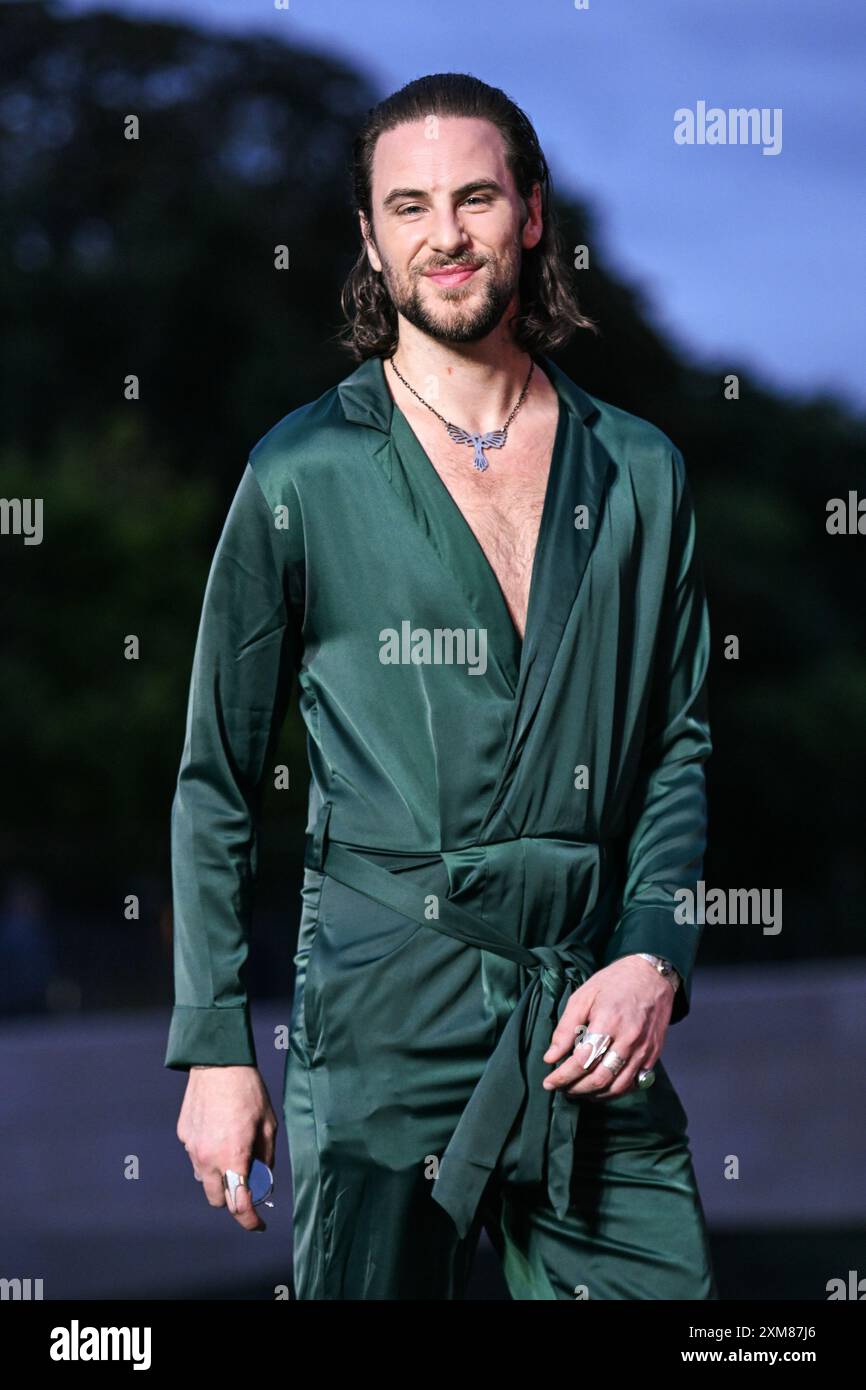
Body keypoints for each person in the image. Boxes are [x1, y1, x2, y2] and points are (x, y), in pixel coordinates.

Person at [165, 72, 717, 1300]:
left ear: (530, 212)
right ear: (370, 238)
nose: (445, 234)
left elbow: (674, 744)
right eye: (407, 206)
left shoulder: (639, 469)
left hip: (584, 1001)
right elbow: (215, 778)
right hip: (379, 1011)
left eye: (474, 197)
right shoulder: (300, 469)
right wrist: (212, 1045)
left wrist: (653, 950)